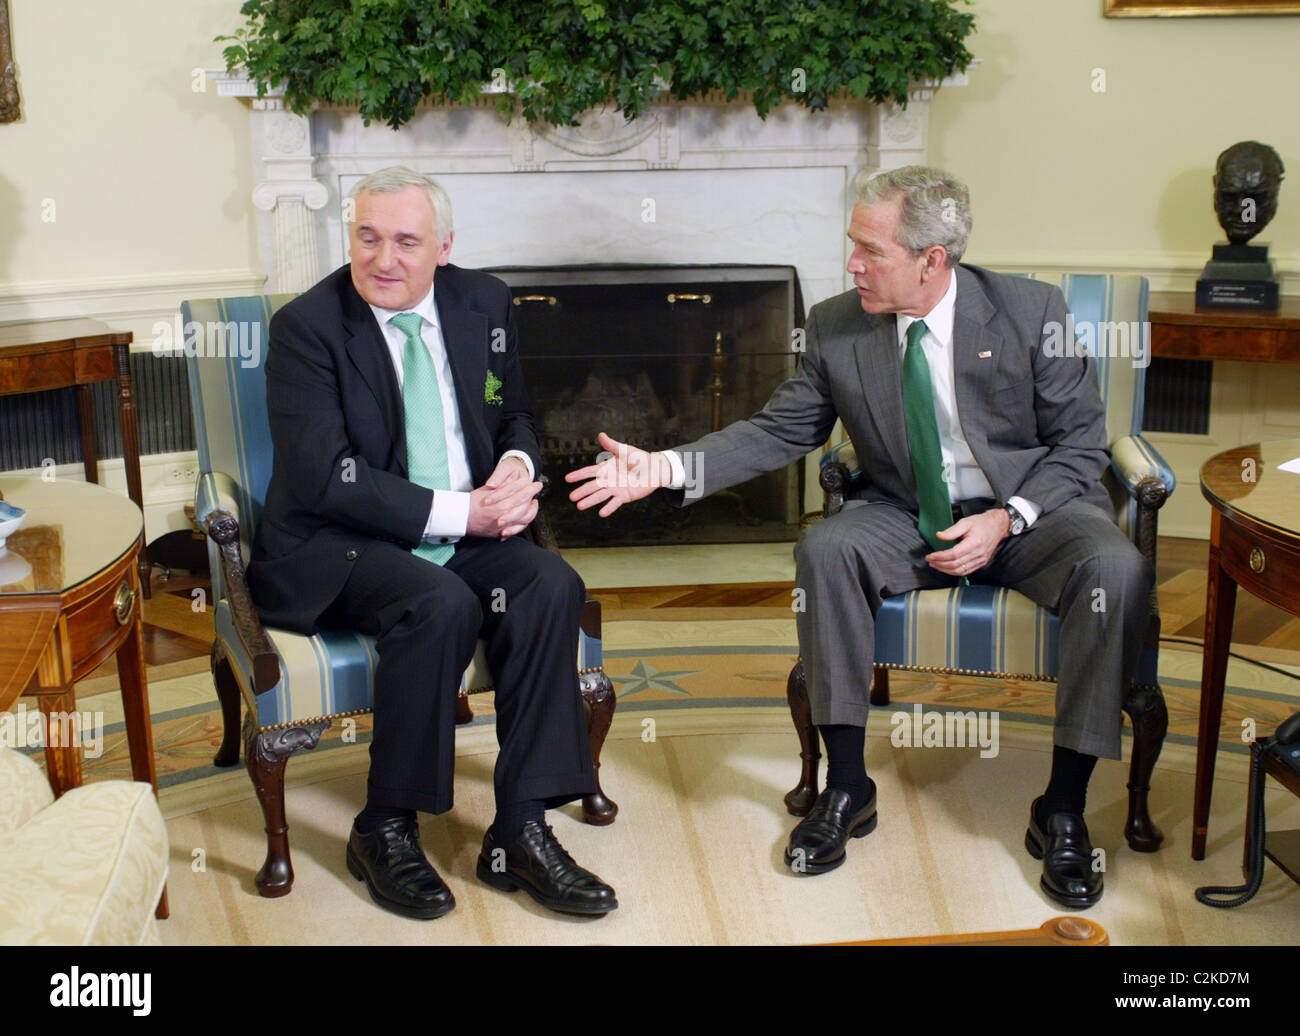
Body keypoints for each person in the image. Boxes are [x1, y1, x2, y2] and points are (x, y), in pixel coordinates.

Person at [566, 165, 1152, 909]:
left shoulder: (1032, 311)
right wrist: (667, 468)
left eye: (870, 251)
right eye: (853, 246)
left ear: (931, 260)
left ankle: (1062, 807)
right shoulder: (841, 324)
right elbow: (780, 429)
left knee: (1115, 568)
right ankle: (846, 788)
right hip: (907, 513)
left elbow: (1080, 447)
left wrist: (1009, 518)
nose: (851, 265)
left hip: (1029, 515)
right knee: (826, 547)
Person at [248, 166, 617, 920]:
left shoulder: (484, 303)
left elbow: (511, 409)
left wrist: (516, 469)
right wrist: (465, 513)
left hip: (467, 520)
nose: (383, 258)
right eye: (367, 236)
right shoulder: (308, 329)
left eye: (406, 242)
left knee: (551, 584)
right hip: (340, 540)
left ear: (443, 248)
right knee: (438, 601)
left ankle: (520, 829)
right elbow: (328, 480)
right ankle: (384, 824)